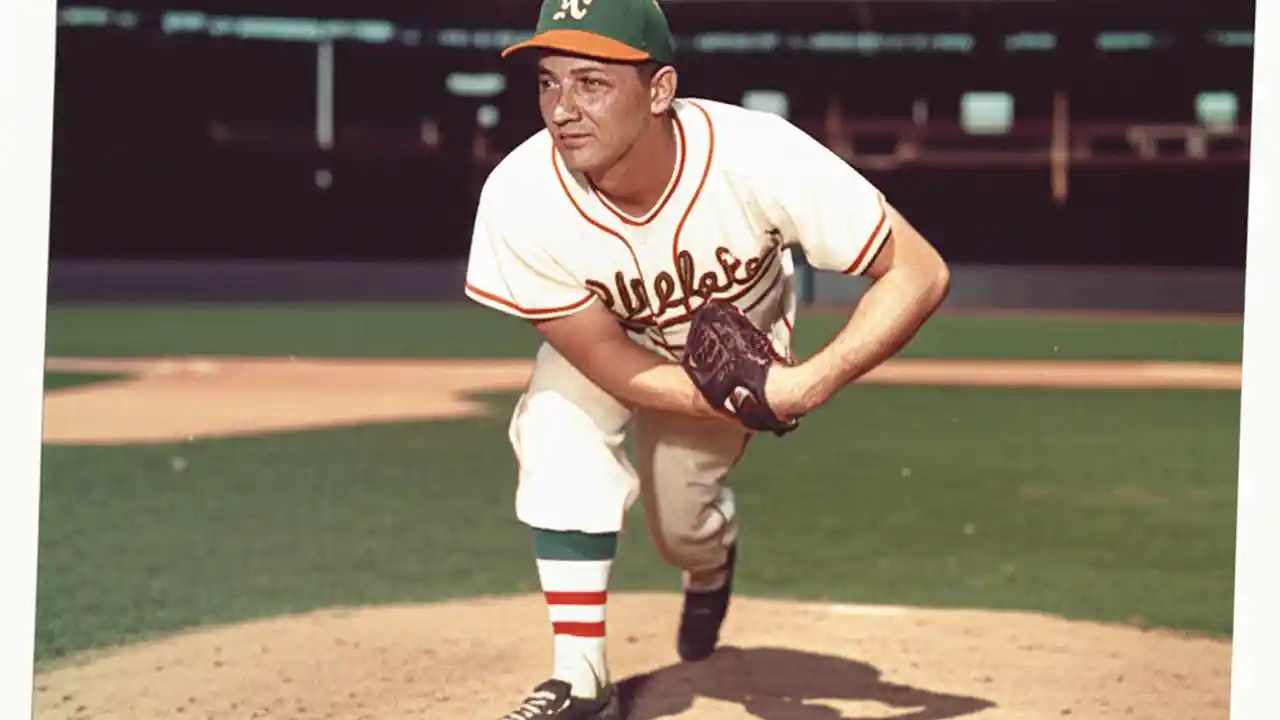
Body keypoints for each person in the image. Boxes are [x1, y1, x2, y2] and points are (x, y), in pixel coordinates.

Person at [463, 1, 951, 717]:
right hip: (624, 344)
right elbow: (599, 353)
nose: (562, 109)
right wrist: (720, 398)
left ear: (659, 91)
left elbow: (919, 271)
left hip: (739, 351)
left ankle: (709, 568)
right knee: (553, 422)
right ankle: (580, 675)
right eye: (548, 82)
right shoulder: (520, 194)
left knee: (681, 525)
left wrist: (803, 384)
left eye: (591, 83)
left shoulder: (758, 155)